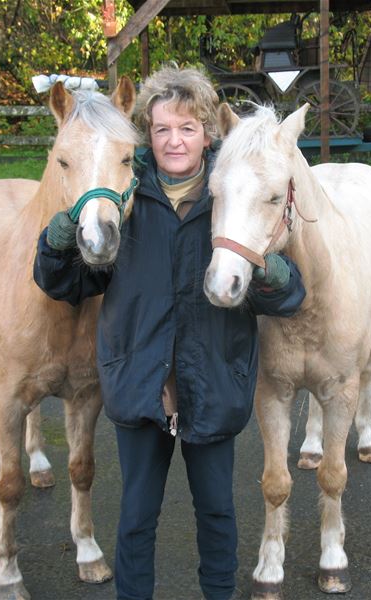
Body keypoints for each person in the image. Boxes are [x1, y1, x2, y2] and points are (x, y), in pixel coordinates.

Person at [33, 65, 305, 600]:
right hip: (139, 378)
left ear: (207, 133)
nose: (174, 140)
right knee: (135, 515)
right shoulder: (123, 199)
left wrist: (271, 272)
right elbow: (66, 284)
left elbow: (288, 294)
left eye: (187, 128)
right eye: (161, 129)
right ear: (146, 136)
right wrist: (58, 240)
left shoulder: (233, 193)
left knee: (217, 513)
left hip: (212, 378)